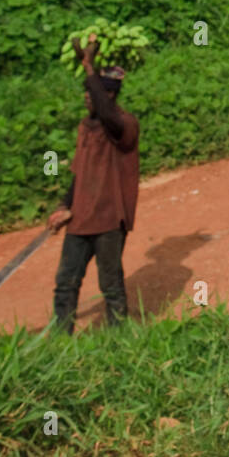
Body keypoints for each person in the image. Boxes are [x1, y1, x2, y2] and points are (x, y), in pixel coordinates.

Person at [47, 35, 140, 334]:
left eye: (94, 93)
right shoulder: (86, 127)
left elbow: (108, 114)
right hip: (81, 218)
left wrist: (89, 68)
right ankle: (61, 340)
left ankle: (119, 338)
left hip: (109, 218)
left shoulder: (124, 126)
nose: (87, 97)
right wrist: (64, 206)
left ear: (109, 96)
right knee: (66, 282)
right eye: (86, 93)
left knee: (110, 283)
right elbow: (80, 174)